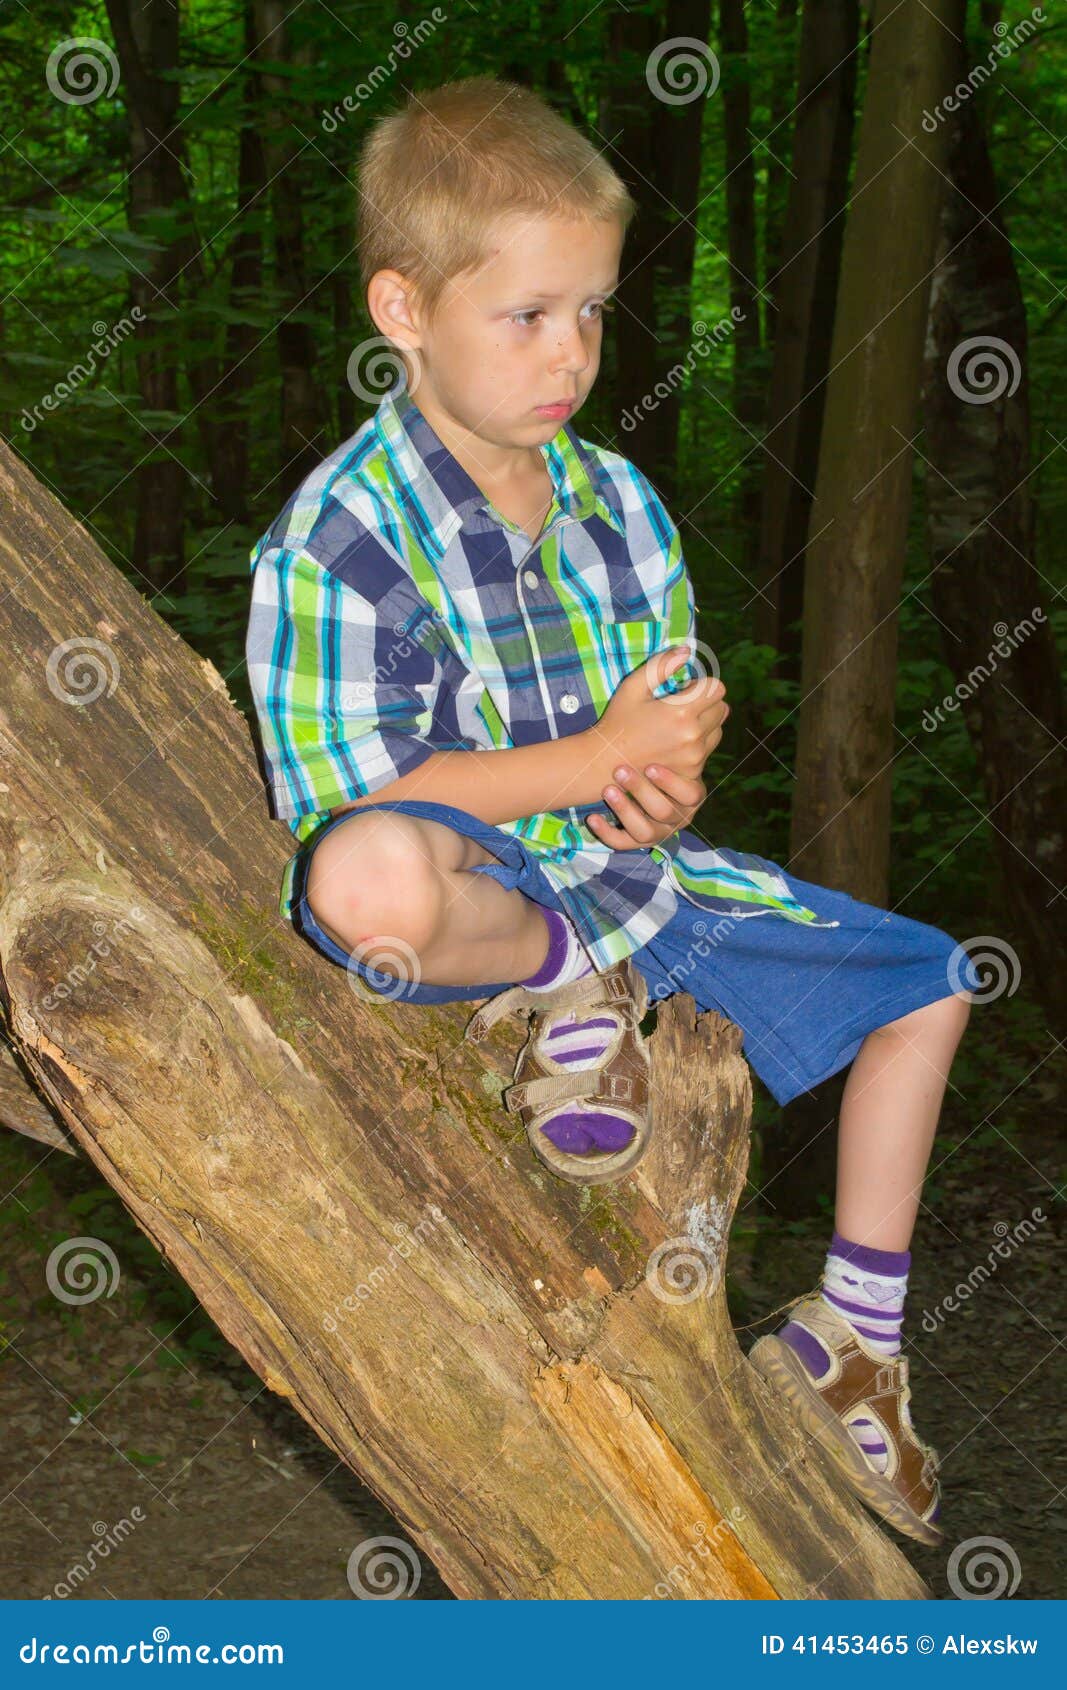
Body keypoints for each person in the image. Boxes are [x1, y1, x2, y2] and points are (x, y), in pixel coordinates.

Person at [244, 76, 980, 1550]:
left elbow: (653, 777)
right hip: (472, 884)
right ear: (403, 308)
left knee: (936, 983)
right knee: (365, 878)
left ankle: (857, 1334)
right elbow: (358, 802)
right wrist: (595, 758)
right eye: (527, 315)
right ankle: (542, 988)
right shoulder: (333, 540)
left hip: (630, 886)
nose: (571, 352)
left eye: (592, 311)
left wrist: (657, 779)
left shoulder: (621, 506)